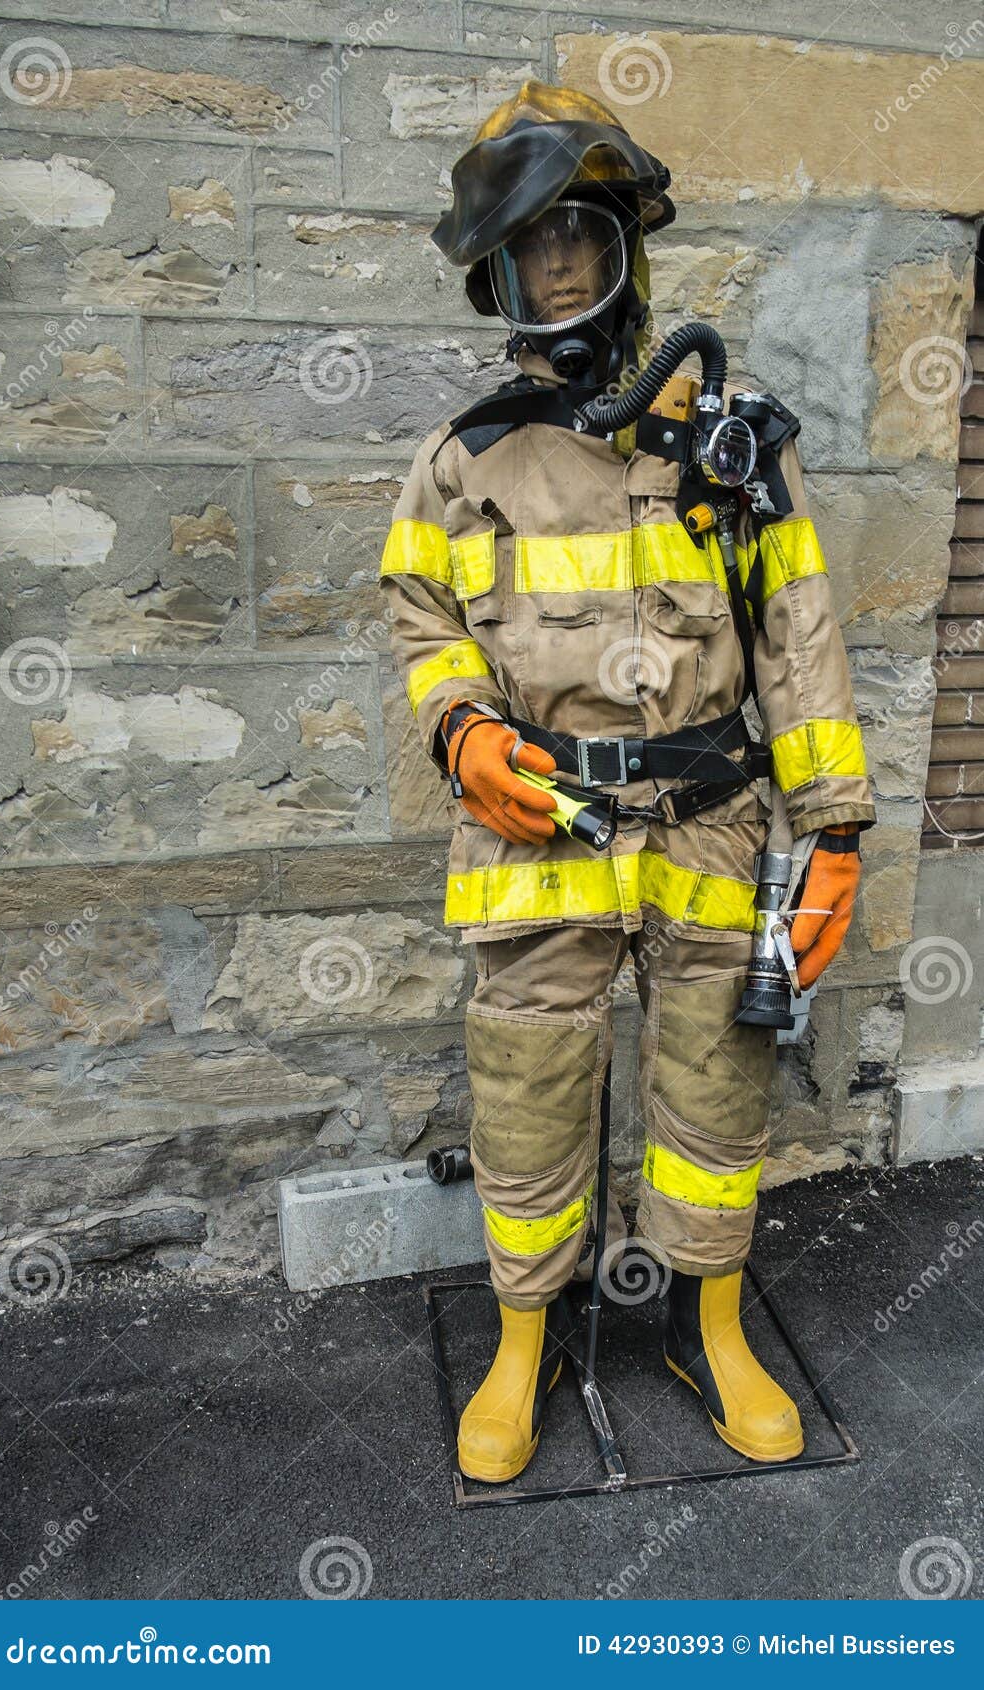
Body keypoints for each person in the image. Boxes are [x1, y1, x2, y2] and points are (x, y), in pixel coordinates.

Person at [379, 81, 875, 1484]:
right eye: (531, 247)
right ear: (494, 275)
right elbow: (421, 621)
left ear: (623, 250)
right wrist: (462, 731)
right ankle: (525, 1341)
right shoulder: (460, 462)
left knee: (717, 1088)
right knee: (529, 1084)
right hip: (534, 829)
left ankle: (709, 1324)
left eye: (579, 238)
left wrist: (832, 831)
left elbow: (800, 630)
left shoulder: (729, 439)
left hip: (710, 821)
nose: (559, 271)